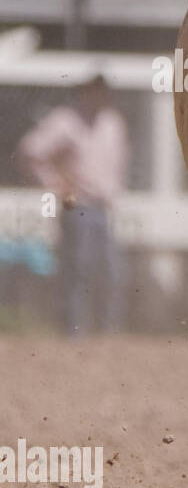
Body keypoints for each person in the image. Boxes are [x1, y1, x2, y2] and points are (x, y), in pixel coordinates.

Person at [18, 74, 129, 336]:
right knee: (79, 269)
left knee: (112, 272)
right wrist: (55, 183)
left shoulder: (113, 123)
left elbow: (119, 162)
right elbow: (31, 150)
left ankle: (107, 331)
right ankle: (74, 332)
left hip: (104, 206)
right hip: (76, 202)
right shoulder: (66, 121)